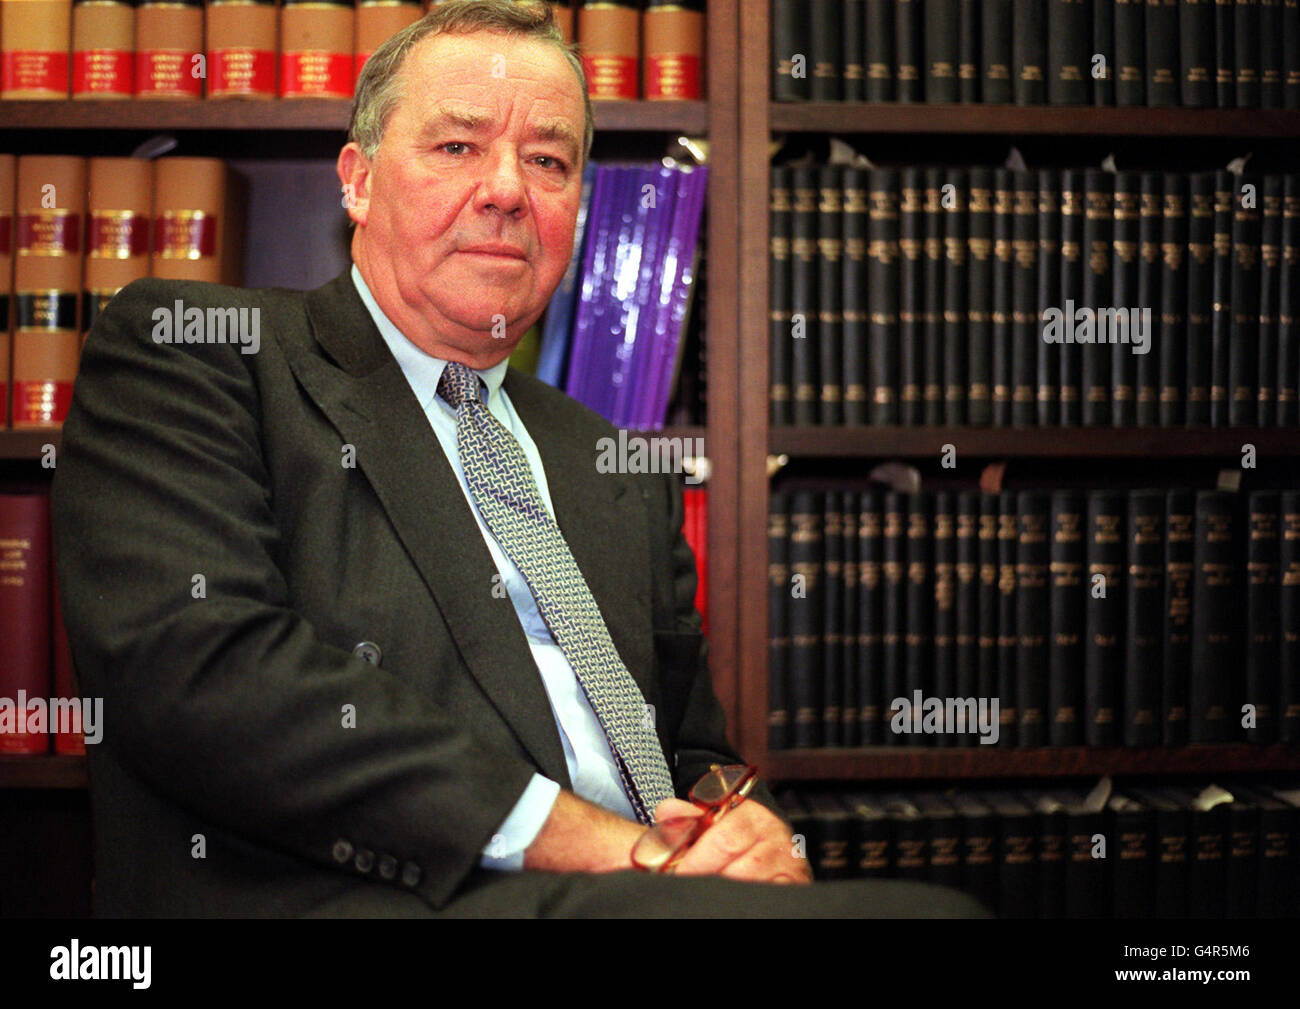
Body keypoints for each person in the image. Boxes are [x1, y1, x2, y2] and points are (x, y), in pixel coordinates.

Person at [52, 0, 987, 917]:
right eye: (457, 146)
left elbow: (693, 748)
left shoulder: (608, 459)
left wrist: (744, 835)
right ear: (359, 179)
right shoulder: (197, 355)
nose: (507, 188)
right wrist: (622, 851)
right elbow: (208, 679)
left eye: (548, 159)